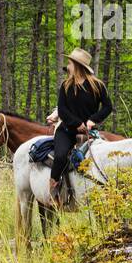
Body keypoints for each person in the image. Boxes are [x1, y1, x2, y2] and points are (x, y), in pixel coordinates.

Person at [44, 46, 113, 206]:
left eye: (69, 63)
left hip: (89, 132)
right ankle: (53, 193)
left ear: (77, 65)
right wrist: (77, 123)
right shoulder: (66, 86)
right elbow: (62, 110)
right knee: (60, 156)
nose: (67, 67)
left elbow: (107, 107)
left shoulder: (97, 86)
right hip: (67, 131)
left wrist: (93, 120)